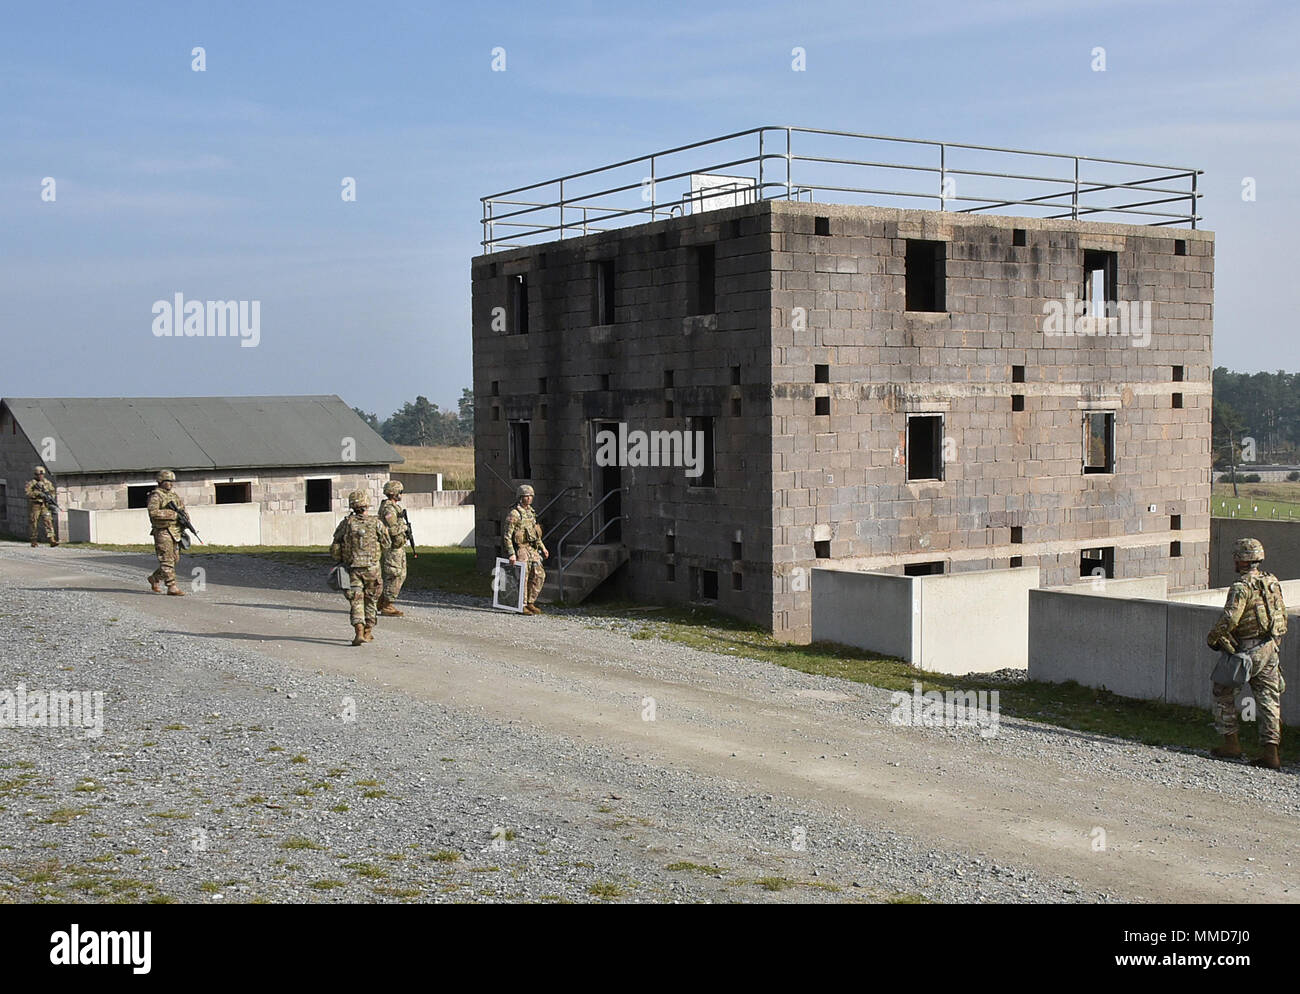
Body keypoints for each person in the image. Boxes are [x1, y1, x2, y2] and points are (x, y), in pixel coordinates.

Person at [1206, 537, 1287, 770]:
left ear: (1240, 561)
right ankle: (1271, 752)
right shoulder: (1271, 581)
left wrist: (1213, 638)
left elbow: (1231, 618)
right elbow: (1281, 613)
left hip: (1246, 652)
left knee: (1222, 691)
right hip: (1270, 648)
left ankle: (1231, 744)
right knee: (1269, 699)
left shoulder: (1241, 587)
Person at [331, 489, 390, 646]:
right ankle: (368, 632)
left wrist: (340, 558)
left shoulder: (346, 523)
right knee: (371, 600)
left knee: (356, 600)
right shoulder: (377, 523)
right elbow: (387, 543)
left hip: (353, 569)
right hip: (372, 568)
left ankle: (358, 631)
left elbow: (336, 543)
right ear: (366, 505)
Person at [503, 484, 548, 615]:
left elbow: (535, 534)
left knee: (539, 574)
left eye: (530, 496)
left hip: (532, 548)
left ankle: (530, 602)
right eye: (526, 496)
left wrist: (543, 548)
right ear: (520, 497)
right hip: (521, 549)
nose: (528, 498)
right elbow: (507, 536)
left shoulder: (531, 513)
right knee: (523, 576)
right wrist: (511, 553)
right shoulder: (514, 514)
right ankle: (521, 605)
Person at [146, 470, 187, 596]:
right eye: (167, 481)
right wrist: (172, 514)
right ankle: (171, 586)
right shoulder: (156, 496)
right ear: (160, 481)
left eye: (171, 481)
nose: (170, 484)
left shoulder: (174, 495)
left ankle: (155, 578)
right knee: (166, 560)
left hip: (175, 531)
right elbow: (153, 512)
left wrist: (185, 519)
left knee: (174, 559)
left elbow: (182, 509)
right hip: (163, 531)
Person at [377, 480, 408, 617]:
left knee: (400, 573)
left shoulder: (394, 507)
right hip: (392, 546)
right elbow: (393, 529)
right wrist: (405, 528)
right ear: (393, 493)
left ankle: (383, 601)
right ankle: (387, 604)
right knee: (395, 574)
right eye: (399, 492)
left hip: (397, 546)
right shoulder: (389, 509)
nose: (401, 494)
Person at [25, 465, 58, 547]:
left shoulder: (47, 482)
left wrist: (49, 497)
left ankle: (52, 540)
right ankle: (34, 540)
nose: (40, 476)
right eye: (38, 475)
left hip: (45, 505)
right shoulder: (32, 483)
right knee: (33, 523)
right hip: (35, 505)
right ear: (35, 475)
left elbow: (52, 491)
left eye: (41, 474)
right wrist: (38, 494)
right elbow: (28, 493)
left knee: (48, 521)